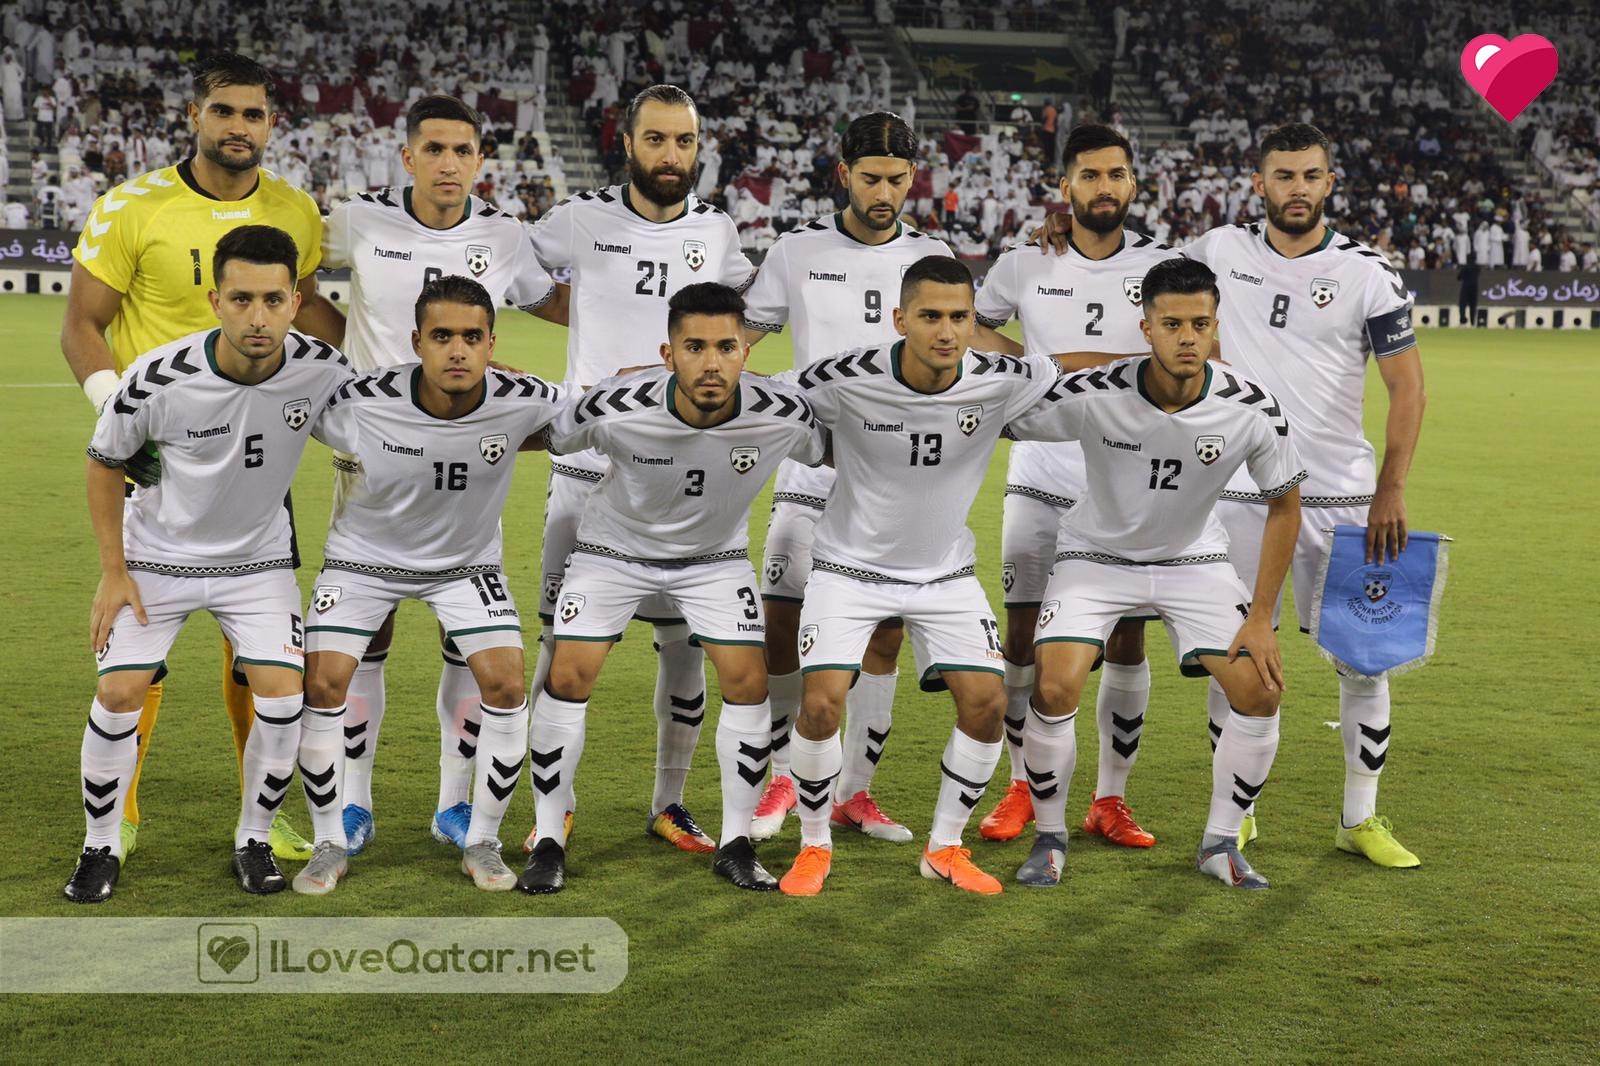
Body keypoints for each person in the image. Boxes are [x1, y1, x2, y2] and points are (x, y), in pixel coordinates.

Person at [60, 52, 342, 865]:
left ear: (270, 125)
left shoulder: (295, 209)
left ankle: (263, 818)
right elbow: (83, 320)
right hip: (156, 455)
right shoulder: (133, 205)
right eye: (224, 111)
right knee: (135, 652)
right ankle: (124, 812)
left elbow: (310, 311)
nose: (238, 127)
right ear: (195, 117)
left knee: (259, 654)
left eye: (253, 114)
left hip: (253, 458)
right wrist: (115, 408)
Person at [316, 93, 568, 856]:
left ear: (481, 160)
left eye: (464, 151)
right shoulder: (355, 219)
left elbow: (552, 303)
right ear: (408, 157)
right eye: (435, 149)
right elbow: (292, 284)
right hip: (375, 457)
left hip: (466, 452)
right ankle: (354, 803)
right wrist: (345, 362)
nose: (449, 163)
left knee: (471, 640)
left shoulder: (504, 235)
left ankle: (454, 804)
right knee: (371, 631)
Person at [1004, 256, 1305, 889]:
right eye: (1172, 324)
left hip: (1193, 561)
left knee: (1260, 690)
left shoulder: (1250, 406)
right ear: (1146, 328)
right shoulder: (1095, 392)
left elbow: (1284, 505)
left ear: (1216, 326)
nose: (1188, 337)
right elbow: (1002, 418)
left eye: (1200, 323)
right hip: (1094, 557)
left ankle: (1221, 842)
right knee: (1054, 687)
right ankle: (1050, 837)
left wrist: (1261, 618)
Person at [519, 283, 826, 895]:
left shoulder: (782, 412)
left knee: (748, 679)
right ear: (668, 353)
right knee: (568, 673)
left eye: (726, 347)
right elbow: (543, 435)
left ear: (746, 350)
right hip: (612, 554)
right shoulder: (616, 404)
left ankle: (735, 842)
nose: (711, 363)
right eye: (695, 347)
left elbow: (848, 446)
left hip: (713, 560)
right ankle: (549, 838)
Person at [1179, 123, 1426, 866]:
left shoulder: (1368, 274)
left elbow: (1406, 386)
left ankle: (1360, 819)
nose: (1297, 189)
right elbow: (1143, 291)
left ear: (1329, 183)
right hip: (1240, 496)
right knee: (1240, 660)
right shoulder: (1216, 252)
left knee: (1364, 661)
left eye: (1311, 175)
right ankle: (1235, 816)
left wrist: (1390, 489)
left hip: (1341, 502)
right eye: (1283, 176)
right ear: (1259, 183)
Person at [775, 256, 1060, 897]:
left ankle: (945, 847)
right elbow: (769, 399)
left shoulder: (1001, 379)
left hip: (945, 574)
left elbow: (1071, 379)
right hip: (847, 569)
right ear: (901, 318)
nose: (946, 331)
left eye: (960, 317)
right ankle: (814, 845)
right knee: (820, 704)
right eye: (930, 316)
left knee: (987, 704)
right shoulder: (843, 377)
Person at [524, 84, 756, 855]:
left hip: (689, 475)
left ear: (699, 148)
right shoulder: (579, 219)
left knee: (685, 645)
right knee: (562, 648)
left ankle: (670, 801)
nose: (670, 156)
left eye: (683, 143)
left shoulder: (719, 233)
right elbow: (517, 272)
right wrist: (587, 319)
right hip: (591, 469)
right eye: (655, 140)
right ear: (627, 143)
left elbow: (737, 323)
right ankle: (548, 816)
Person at [294, 275, 565, 894]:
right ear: (416, 341)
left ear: (493, 343)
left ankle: (484, 842)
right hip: (362, 562)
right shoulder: (359, 402)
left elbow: (601, 406)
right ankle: (329, 838)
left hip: (466, 567)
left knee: (505, 681)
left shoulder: (523, 397)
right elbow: (277, 414)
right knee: (323, 680)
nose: (458, 350)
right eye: (442, 336)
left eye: (473, 337)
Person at [740, 111, 955, 843]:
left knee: (883, 638)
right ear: (844, 174)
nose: (886, 191)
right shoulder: (797, 250)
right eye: (871, 179)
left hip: (895, 484)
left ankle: (855, 794)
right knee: (782, 625)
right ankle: (779, 782)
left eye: (898, 179)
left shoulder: (934, 252)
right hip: (809, 469)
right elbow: (742, 334)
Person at [970, 124, 1176, 848]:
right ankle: (1025, 785)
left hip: (1122, 481)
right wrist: (1031, 365)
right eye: (1089, 176)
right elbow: (972, 327)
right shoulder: (1025, 260)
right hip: (1038, 473)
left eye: (1117, 174)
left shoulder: (1163, 264)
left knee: (1124, 638)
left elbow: (1179, 346)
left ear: (1133, 184)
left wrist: (1067, 360)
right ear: (1065, 187)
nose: (1104, 187)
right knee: (1021, 636)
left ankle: (1109, 800)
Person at [1456, 256, 1480, 327]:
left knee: (1462, 304)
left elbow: (1459, 277)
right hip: (1474, 287)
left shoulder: (1465, 267)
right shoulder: (1477, 268)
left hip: (1466, 287)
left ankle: (1463, 321)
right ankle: (1473, 322)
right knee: (1473, 305)